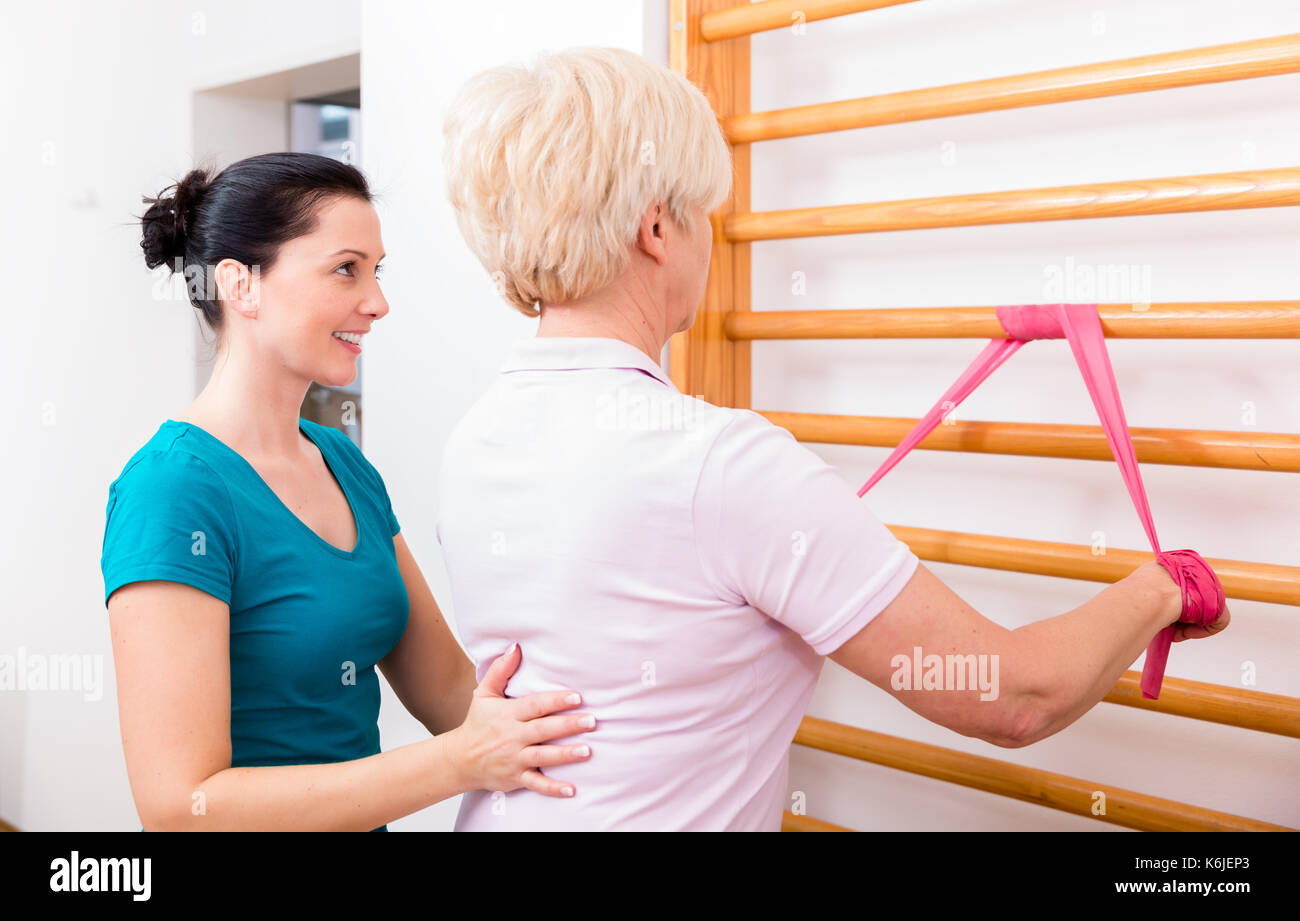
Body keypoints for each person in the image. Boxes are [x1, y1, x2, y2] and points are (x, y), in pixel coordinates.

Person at [435, 46, 1231, 831]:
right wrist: (1165, 587)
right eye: (700, 212)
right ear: (655, 228)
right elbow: (1013, 696)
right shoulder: (718, 463)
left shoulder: (477, 439)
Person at [102, 152, 596, 831]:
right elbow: (182, 805)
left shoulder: (342, 461)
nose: (378, 302)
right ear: (240, 285)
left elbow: (451, 690)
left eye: (377, 270)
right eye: (346, 268)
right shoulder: (172, 490)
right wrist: (461, 761)